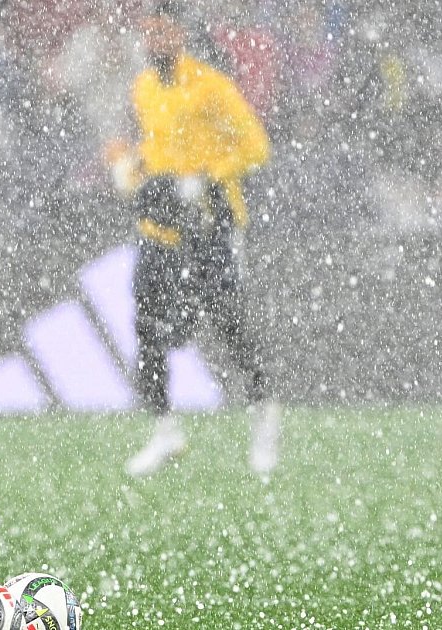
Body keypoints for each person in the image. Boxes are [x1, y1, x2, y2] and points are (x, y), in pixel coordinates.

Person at [123, 7, 281, 477]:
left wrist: (208, 178)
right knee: (148, 328)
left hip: (209, 225)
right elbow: (154, 151)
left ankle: (263, 412)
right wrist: (133, 171)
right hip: (161, 228)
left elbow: (256, 146)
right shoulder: (144, 89)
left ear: (180, 34)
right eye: (148, 32)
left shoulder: (211, 86)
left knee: (227, 322)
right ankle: (165, 430)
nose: (154, 40)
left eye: (162, 30)